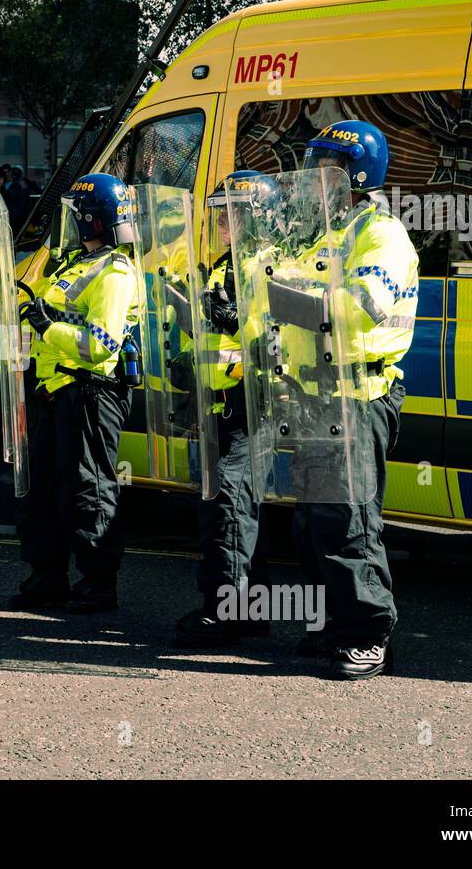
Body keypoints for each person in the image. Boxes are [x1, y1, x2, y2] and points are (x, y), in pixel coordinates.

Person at [290, 120, 419, 680]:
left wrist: (285, 298)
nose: (314, 178)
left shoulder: (382, 233)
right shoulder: (329, 233)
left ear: (354, 175)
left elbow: (360, 304)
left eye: (325, 168)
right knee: (316, 522)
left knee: (352, 520)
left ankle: (368, 634)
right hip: (318, 395)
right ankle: (336, 625)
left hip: (359, 394)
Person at [11, 172, 139, 614]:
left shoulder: (115, 271)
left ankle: (98, 583)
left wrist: (49, 326)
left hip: (89, 391)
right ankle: (47, 576)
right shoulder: (74, 264)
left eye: (73, 213)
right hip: (55, 388)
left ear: (90, 219)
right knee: (41, 488)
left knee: (89, 489)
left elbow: (100, 345)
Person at [173, 171, 281, 648]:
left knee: (230, 509)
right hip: (220, 401)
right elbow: (216, 329)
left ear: (257, 218)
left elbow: (272, 335)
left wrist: (230, 317)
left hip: (250, 400)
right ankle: (251, 612)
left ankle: (227, 614)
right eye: (219, 212)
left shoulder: (269, 264)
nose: (222, 221)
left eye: (233, 212)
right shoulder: (226, 264)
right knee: (233, 508)